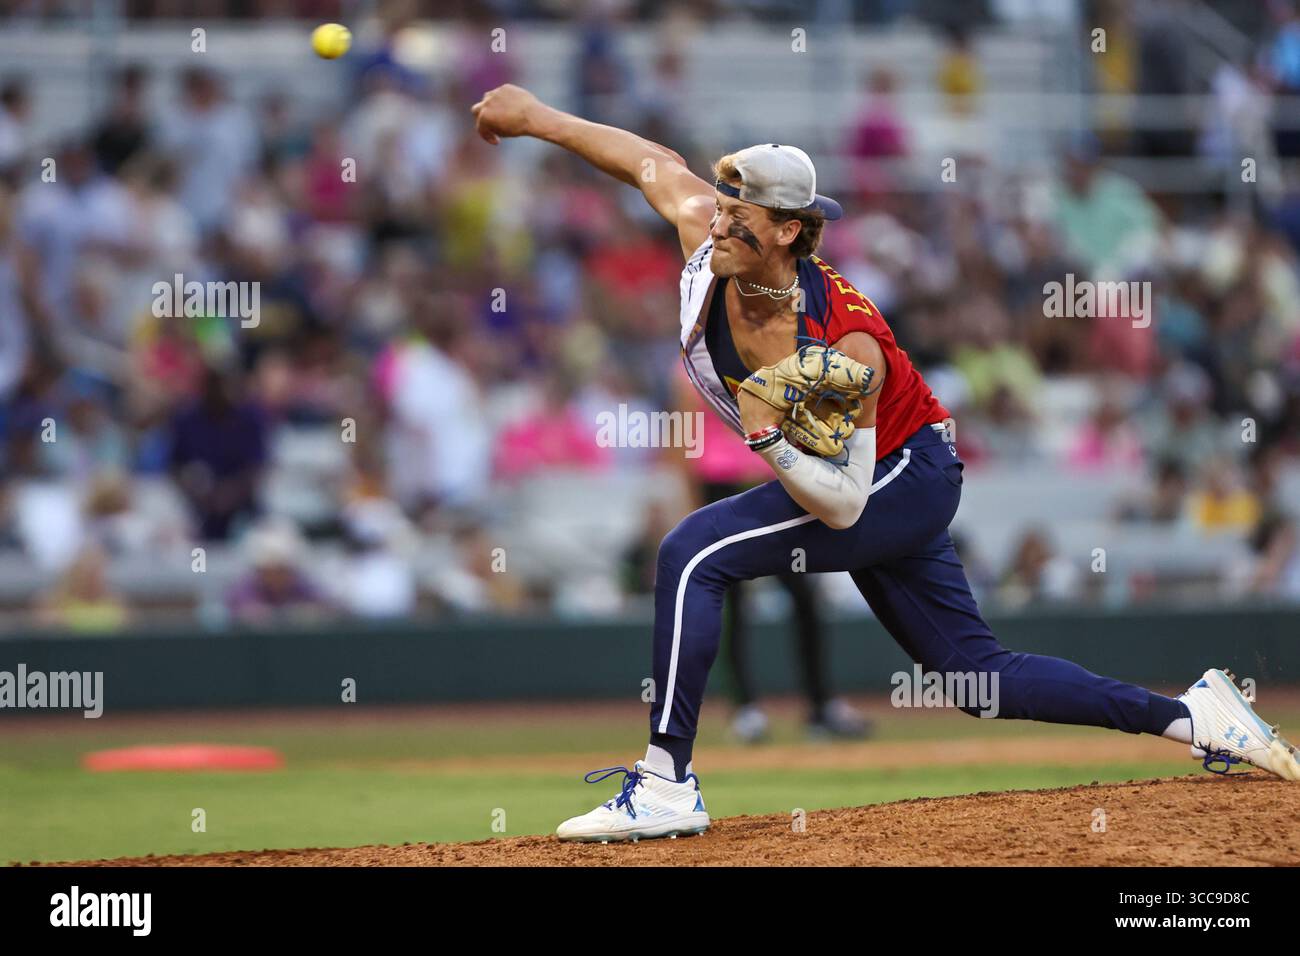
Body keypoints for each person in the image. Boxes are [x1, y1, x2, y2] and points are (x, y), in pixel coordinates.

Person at [470, 84, 1300, 843]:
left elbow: (840, 505)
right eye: (723, 208)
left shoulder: (843, 339)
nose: (720, 225)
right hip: (873, 475)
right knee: (977, 678)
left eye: (742, 218)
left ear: (790, 231)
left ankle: (666, 781)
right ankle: (1194, 717)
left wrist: (762, 440)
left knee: (690, 554)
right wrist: (537, 117)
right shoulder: (706, 236)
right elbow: (648, 161)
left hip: (904, 472)